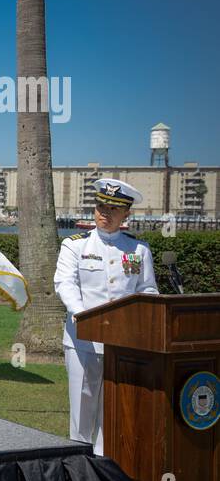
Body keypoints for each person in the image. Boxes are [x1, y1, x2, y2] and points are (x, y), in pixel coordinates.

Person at [54, 178, 158, 456]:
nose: (104, 213)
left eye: (113, 209)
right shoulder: (74, 246)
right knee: (82, 410)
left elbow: (147, 289)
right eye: (101, 206)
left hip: (123, 345)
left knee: (113, 411)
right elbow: (65, 283)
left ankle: (104, 469)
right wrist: (84, 315)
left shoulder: (138, 250)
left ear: (126, 214)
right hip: (83, 342)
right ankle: (77, 470)